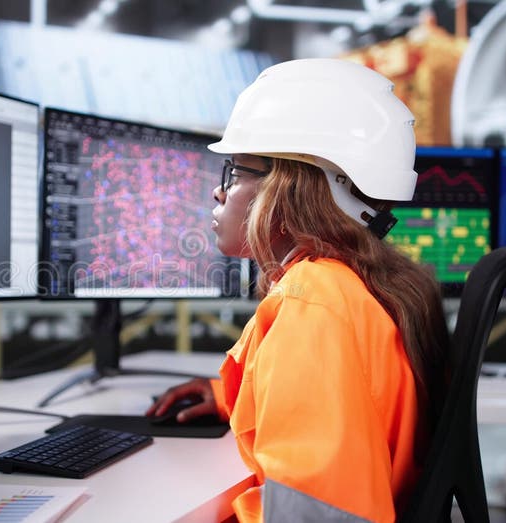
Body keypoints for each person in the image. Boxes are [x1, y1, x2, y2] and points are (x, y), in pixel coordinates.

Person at [146, 58, 450, 523]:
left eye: (237, 172)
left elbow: (315, 515)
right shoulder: (360, 283)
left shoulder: (313, 306)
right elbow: (343, 395)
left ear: (292, 191)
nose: (219, 193)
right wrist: (227, 394)